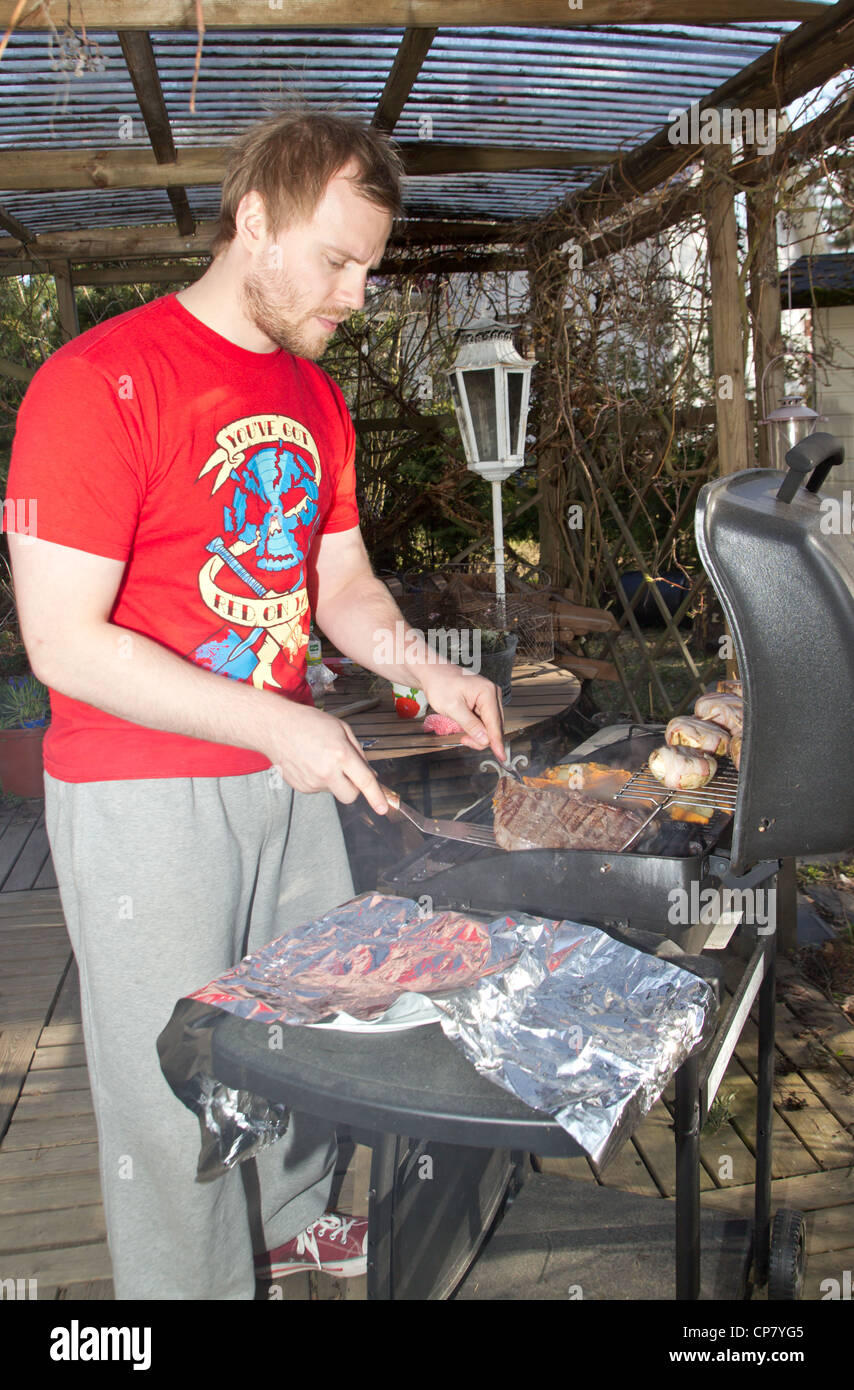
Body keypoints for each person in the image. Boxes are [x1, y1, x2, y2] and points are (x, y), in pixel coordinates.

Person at [6, 107, 506, 1301]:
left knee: (306, 1026)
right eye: (336, 261)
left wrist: (420, 667)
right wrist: (276, 720)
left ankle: (287, 1223)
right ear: (253, 223)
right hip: (142, 791)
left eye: (367, 269)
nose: (356, 295)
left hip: (283, 770)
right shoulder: (96, 384)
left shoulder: (313, 399)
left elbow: (341, 583)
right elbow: (62, 643)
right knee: (173, 1076)